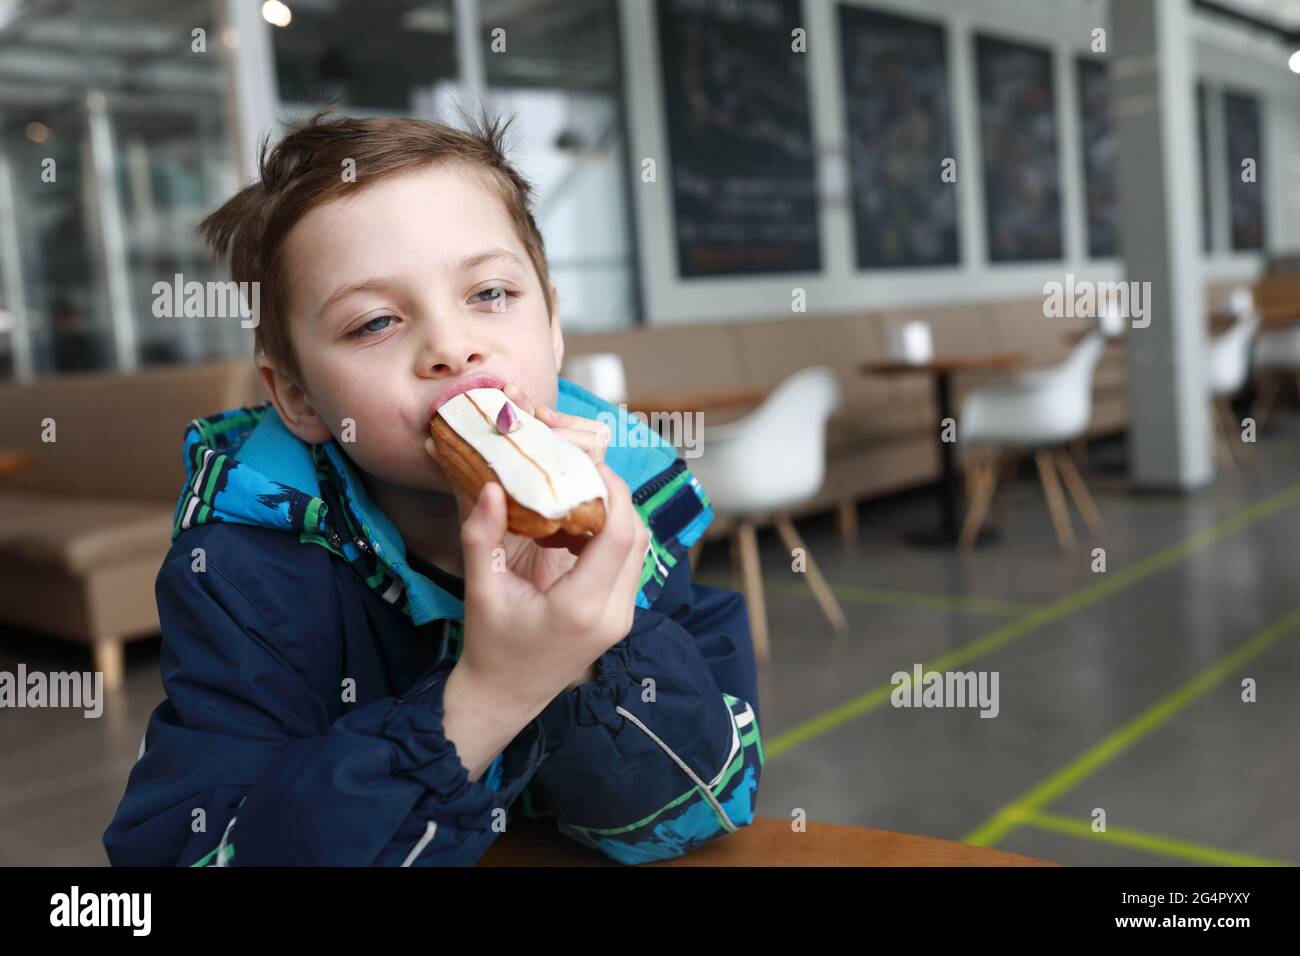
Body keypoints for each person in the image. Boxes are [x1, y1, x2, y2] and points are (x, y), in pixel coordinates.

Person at [103, 110, 763, 866]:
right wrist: (488, 694)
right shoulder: (241, 574)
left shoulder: (628, 514)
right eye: (377, 321)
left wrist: (586, 648)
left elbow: (702, 810)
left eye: (488, 294)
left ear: (551, 324)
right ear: (299, 398)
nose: (452, 346)